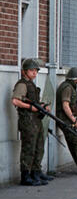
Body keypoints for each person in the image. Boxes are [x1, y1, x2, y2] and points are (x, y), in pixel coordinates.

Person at [11, 58, 53, 186]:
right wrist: (31, 108)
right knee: (29, 148)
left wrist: (42, 106)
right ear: (25, 72)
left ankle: (36, 172)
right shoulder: (22, 84)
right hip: (27, 121)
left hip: (36, 120)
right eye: (32, 71)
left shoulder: (31, 84)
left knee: (38, 146)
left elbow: (33, 101)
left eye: (36, 71)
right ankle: (26, 175)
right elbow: (15, 101)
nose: (35, 73)